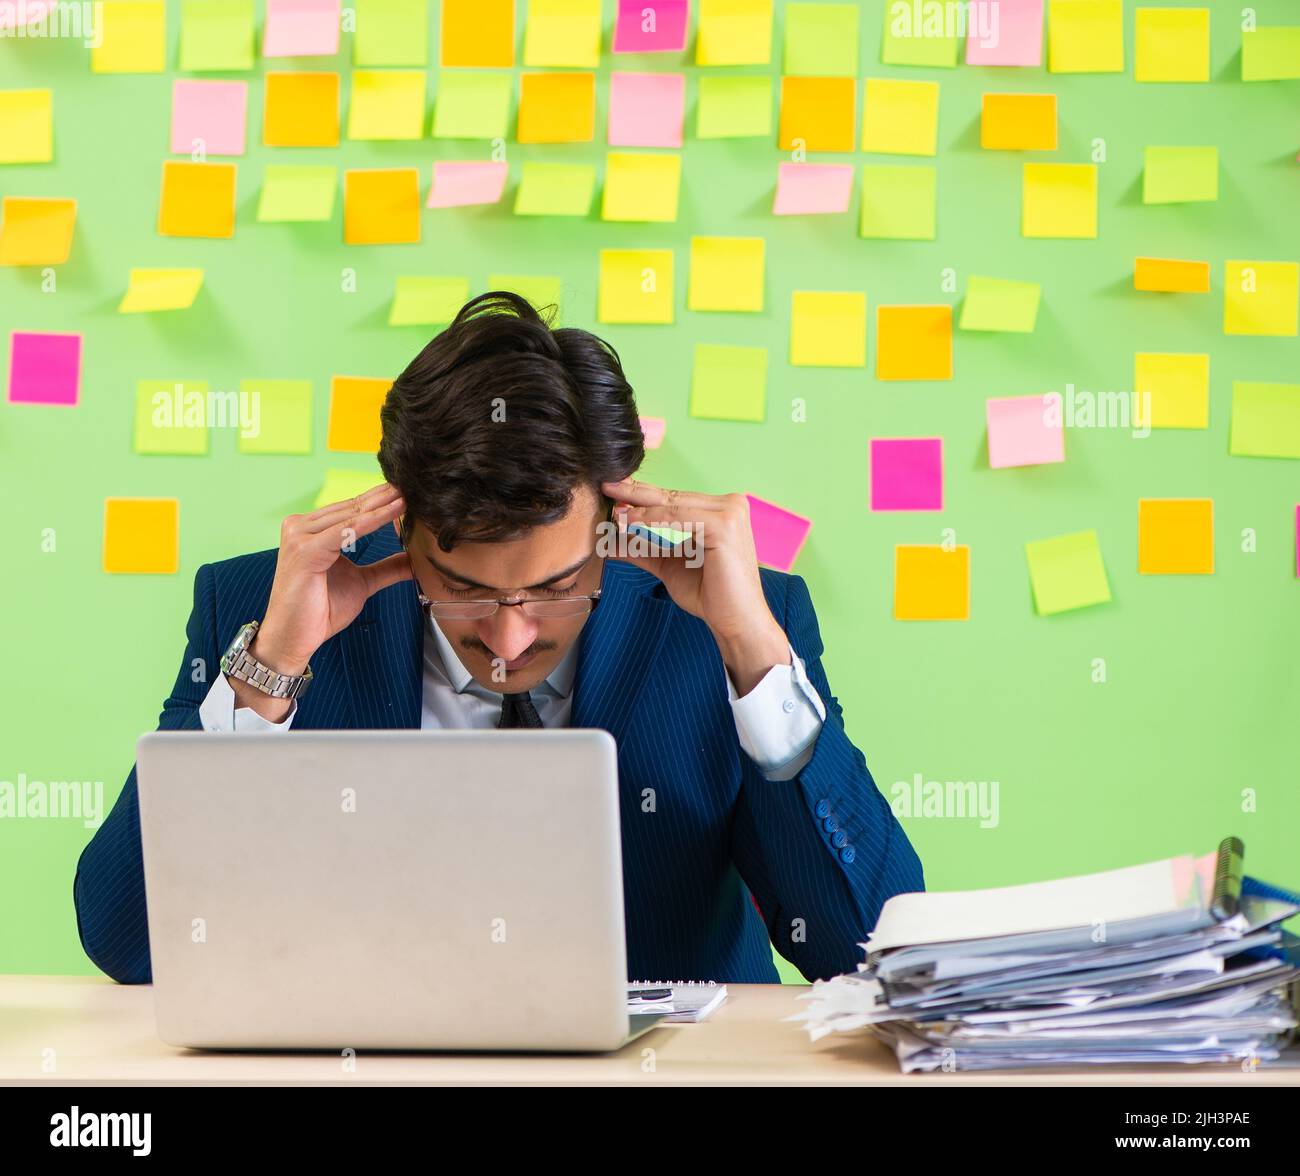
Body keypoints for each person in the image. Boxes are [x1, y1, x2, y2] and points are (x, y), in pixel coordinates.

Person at [74, 291, 924, 986]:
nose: (511, 638)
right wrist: (269, 676)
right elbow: (129, 945)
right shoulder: (267, 611)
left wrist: (756, 657)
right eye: (465, 590)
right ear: (403, 528)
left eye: (556, 589)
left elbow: (862, 951)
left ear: (616, 523)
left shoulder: (737, 620)